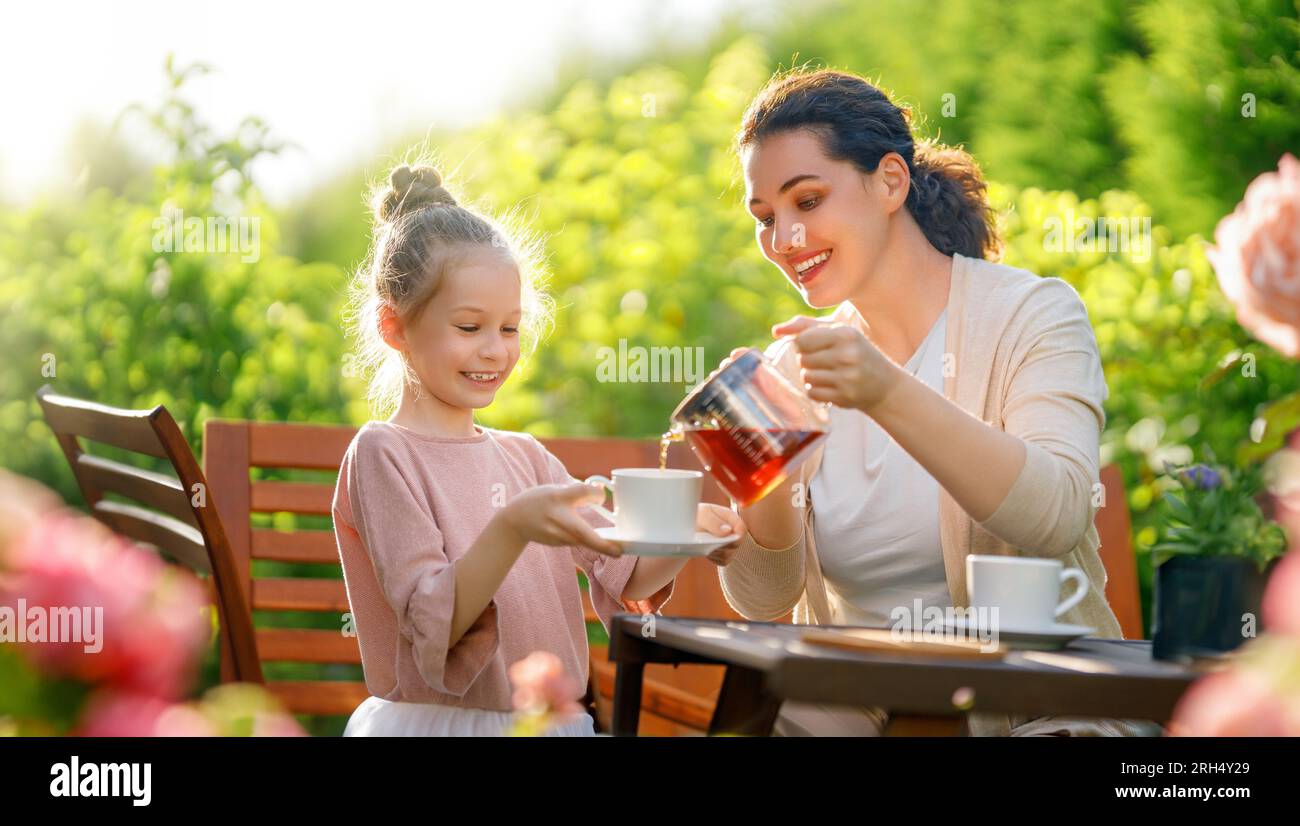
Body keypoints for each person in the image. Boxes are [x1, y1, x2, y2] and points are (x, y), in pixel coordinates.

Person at [712, 69, 1154, 736]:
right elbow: (765, 597)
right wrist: (758, 467)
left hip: (1034, 700)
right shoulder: (791, 367)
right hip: (854, 694)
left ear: (890, 181)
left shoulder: (1031, 315)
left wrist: (887, 391)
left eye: (807, 201)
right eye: (765, 218)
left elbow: (1059, 513)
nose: (783, 240)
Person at [333, 161, 744, 736]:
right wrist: (513, 528)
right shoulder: (383, 455)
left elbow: (625, 571)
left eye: (509, 328)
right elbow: (435, 622)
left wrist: (686, 533)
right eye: (470, 327)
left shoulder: (526, 459)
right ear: (394, 326)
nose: (495, 352)